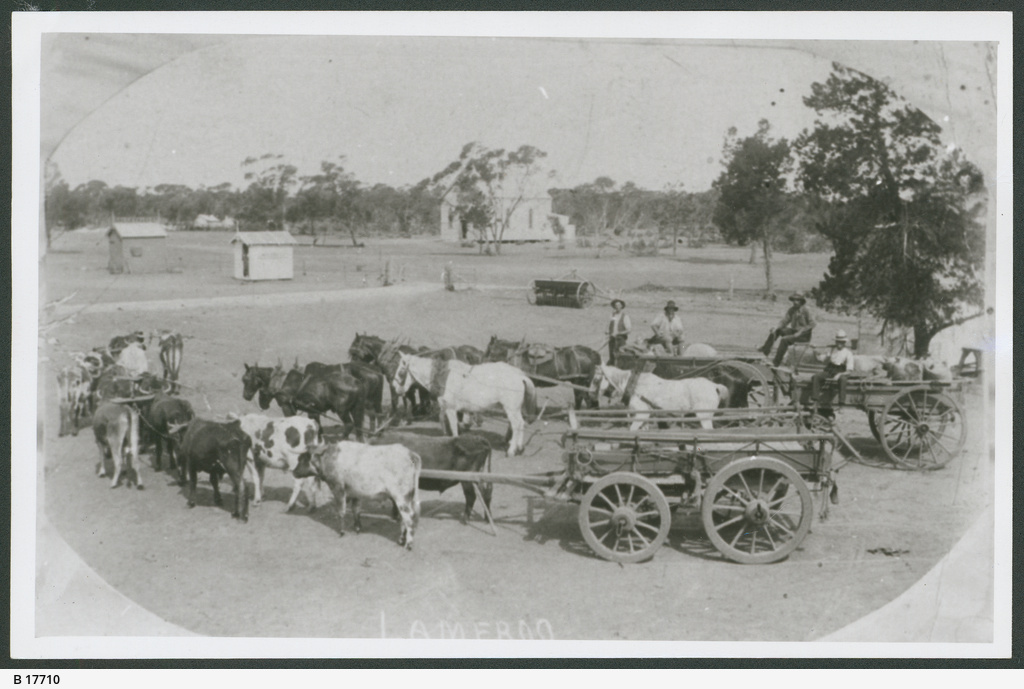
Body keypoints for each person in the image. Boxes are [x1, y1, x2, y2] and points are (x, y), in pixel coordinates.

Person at [760, 291, 816, 366]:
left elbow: (812, 324)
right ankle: (764, 351)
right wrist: (776, 327)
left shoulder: (806, 310)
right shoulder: (791, 310)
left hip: (803, 336)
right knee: (777, 331)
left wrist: (800, 332)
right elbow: (784, 321)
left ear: (801, 301)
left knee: (784, 340)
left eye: (798, 300)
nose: (795, 302)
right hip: (794, 332)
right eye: (794, 300)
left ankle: (776, 362)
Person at [811, 330, 856, 406]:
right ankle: (815, 400)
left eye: (841, 342)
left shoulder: (848, 353)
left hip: (841, 371)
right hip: (830, 370)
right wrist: (814, 350)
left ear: (844, 342)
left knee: (843, 380)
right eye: (838, 341)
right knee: (816, 377)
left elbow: (849, 371)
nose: (839, 344)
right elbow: (820, 359)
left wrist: (839, 375)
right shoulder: (832, 350)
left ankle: (841, 403)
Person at [607, 299, 631, 365]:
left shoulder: (625, 316)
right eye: (616, 305)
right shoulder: (612, 316)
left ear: (621, 306)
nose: (617, 307)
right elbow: (610, 325)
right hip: (612, 339)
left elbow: (628, 330)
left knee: (620, 357)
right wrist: (608, 332)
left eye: (619, 305)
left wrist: (618, 333)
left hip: (620, 340)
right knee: (612, 356)